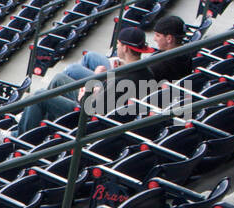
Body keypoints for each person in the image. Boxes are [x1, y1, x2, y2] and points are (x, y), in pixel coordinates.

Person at [16, 26, 164, 134]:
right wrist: (98, 87)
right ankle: (35, 121)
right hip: (100, 103)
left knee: (40, 96)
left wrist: (84, 96)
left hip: (87, 117)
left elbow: (94, 109)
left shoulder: (123, 78)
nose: (117, 47)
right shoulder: (145, 71)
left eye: (118, 44)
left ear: (125, 48)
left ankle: (21, 136)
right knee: (59, 79)